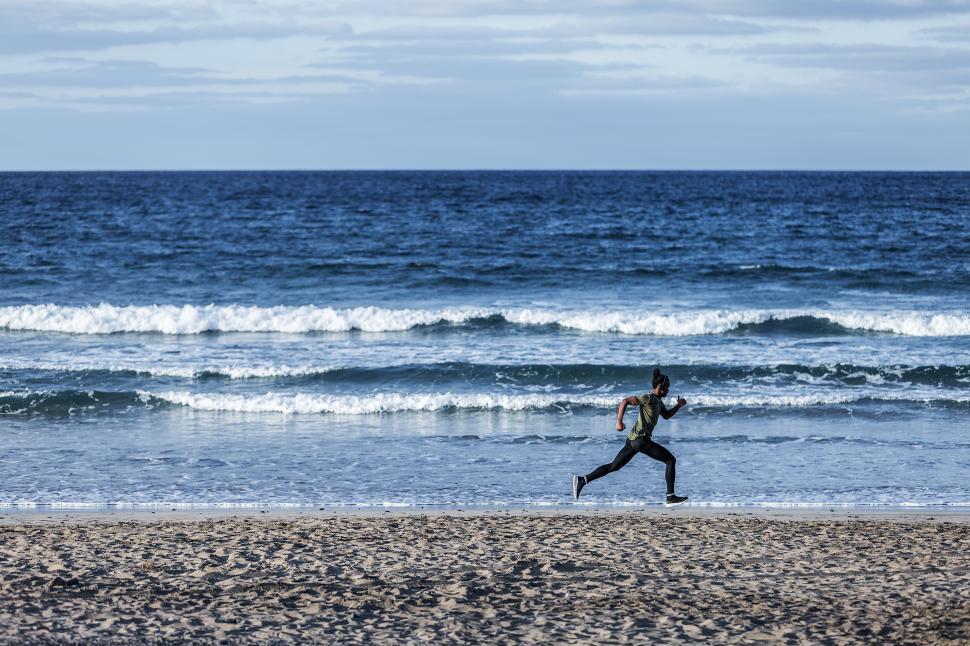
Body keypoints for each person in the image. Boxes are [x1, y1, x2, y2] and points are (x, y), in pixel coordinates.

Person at [572, 368, 688, 505]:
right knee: (670, 460)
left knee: (613, 467)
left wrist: (678, 406)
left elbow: (667, 415)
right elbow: (624, 401)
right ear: (660, 386)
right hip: (641, 440)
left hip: (633, 440)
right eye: (667, 387)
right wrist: (619, 421)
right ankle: (670, 497)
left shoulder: (658, 401)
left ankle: (582, 480)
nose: (669, 390)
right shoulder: (648, 397)